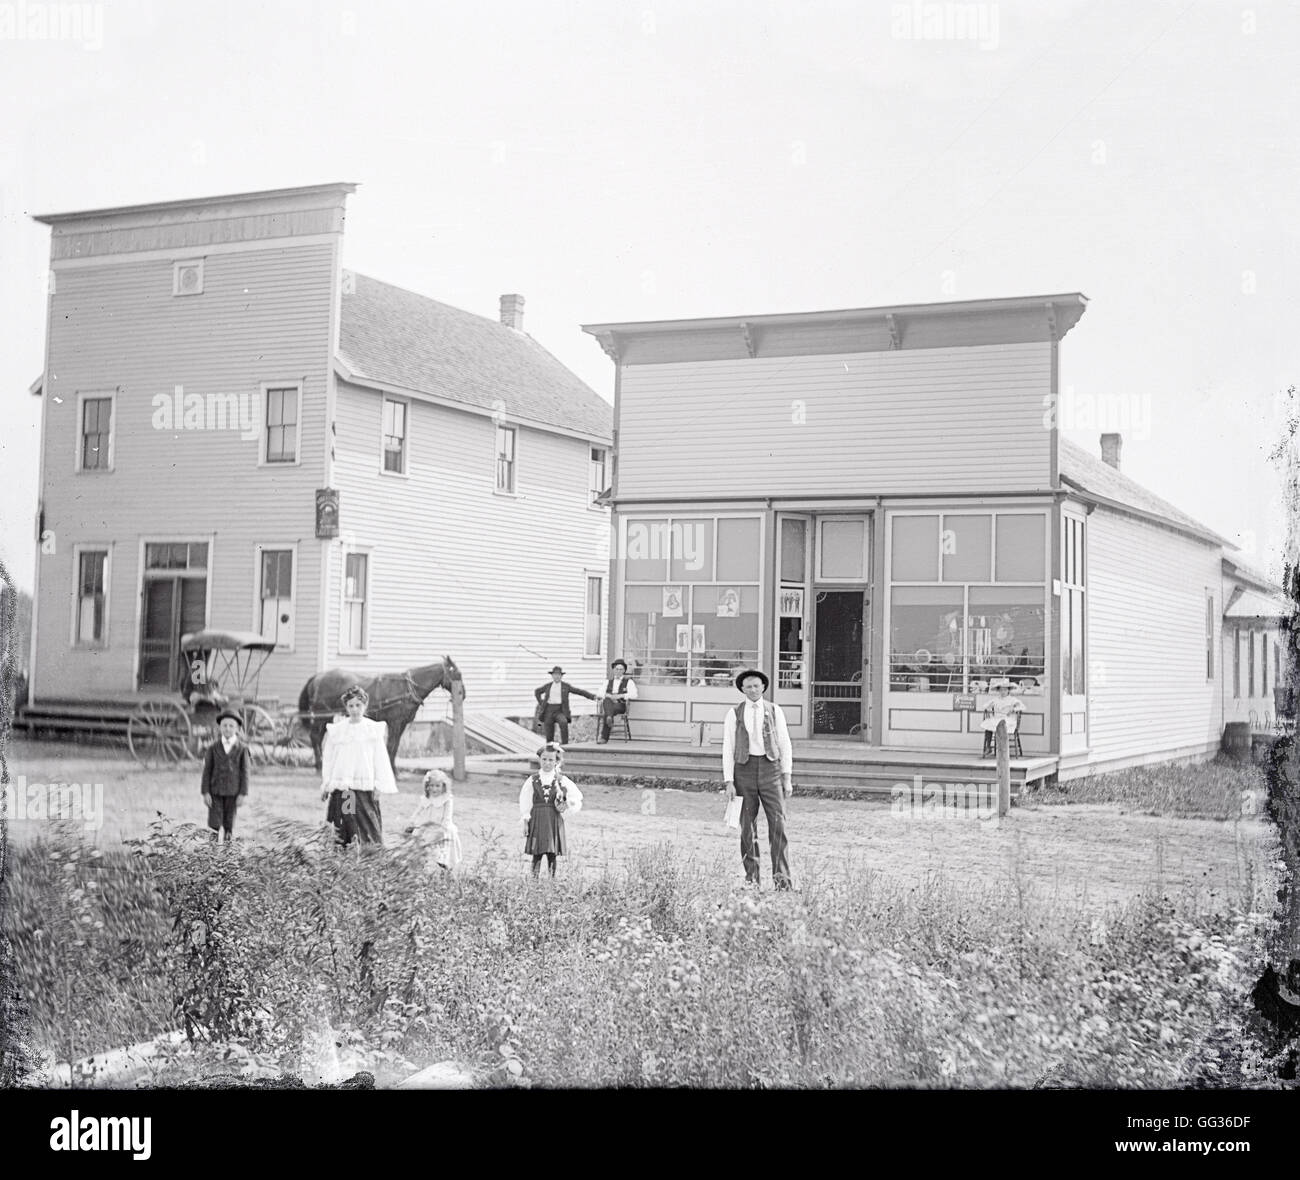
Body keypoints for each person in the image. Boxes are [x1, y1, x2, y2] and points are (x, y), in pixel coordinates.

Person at [722, 669, 794, 890]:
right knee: (747, 827)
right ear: (742, 689)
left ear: (763, 687)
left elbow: (784, 742)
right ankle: (752, 878)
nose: (753, 690)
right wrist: (729, 781)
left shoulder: (774, 710)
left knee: (778, 824)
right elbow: (728, 747)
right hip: (744, 770)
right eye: (748, 686)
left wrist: (786, 776)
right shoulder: (734, 713)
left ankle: (782, 881)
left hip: (770, 770)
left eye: (756, 686)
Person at [320, 684, 397, 845]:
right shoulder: (339, 730)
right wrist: (327, 783)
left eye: (358, 705)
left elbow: (380, 759)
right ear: (346, 707)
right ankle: (344, 856)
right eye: (351, 706)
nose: (355, 709)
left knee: (367, 827)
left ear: (365, 705)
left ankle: (368, 857)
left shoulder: (372, 730)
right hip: (344, 788)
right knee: (345, 823)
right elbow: (329, 759)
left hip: (364, 787)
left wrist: (378, 784)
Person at [519, 742, 583, 878]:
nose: (547, 763)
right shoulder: (533, 780)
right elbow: (525, 801)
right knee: (537, 851)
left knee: (552, 852)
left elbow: (576, 797)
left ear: (556, 762)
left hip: (553, 818)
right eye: (544, 759)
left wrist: (566, 803)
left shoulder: (561, 780)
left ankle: (551, 880)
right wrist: (525, 821)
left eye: (551, 760)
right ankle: (534, 879)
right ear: (539, 760)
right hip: (537, 818)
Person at [200, 708, 251, 843]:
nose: (227, 729)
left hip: (233, 792)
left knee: (229, 823)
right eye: (224, 725)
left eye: (231, 726)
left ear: (237, 729)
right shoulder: (213, 748)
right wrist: (205, 792)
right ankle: (212, 853)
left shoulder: (242, 749)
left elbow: (245, 772)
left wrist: (242, 793)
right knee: (214, 824)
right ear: (220, 727)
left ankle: (228, 854)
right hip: (215, 792)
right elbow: (207, 770)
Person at [404, 769, 462, 872]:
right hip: (426, 827)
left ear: (443, 786)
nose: (434, 789)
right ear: (427, 786)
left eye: (437, 786)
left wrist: (441, 830)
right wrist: (412, 823)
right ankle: (419, 869)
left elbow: (447, 817)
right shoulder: (426, 798)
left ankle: (446, 870)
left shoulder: (447, 799)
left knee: (442, 856)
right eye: (431, 785)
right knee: (420, 850)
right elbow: (417, 812)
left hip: (441, 828)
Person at [533, 666, 596, 745]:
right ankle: (550, 749)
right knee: (549, 731)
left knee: (563, 722)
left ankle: (565, 746)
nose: (557, 676)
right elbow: (537, 692)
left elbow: (579, 691)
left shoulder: (565, 686)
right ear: (552, 676)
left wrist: (593, 697)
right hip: (549, 710)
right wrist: (541, 703)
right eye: (555, 674)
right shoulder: (548, 686)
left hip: (560, 710)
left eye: (558, 674)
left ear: (561, 676)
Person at [597, 658, 638, 743]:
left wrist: (621, 695)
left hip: (620, 705)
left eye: (621, 669)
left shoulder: (629, 682)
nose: (619, 671)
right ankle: (609, 717)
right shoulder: (607, 682)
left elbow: (634, 695)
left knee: (608, 711)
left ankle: (604, 737)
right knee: (607, 701)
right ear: (613, 670)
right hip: (609, 703)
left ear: (624, 671)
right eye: (617, 669)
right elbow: (599, 693)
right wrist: (607, 695)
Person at [981, 677, 1025, 756]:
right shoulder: (996, 699)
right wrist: (989, 707)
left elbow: (1023, 707)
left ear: (1008, 690)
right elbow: (985, 706)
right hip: (997, 718)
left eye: (1005, 690)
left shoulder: (1012, 699)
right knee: (988, 725)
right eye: (1001, 690)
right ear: (998, 691)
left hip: (1008, 719)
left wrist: (1013, 709)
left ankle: (1003, 749)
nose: (1003, 692)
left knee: (1003, 726)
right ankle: (988, 747)